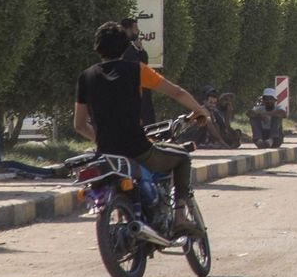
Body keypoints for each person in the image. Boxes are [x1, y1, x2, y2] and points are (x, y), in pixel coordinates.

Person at [73, 21, 211, 235]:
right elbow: (176, 92)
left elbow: (79, 125)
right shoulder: (136, 70)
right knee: (182, 157)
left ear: (97, 47)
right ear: (125, 46)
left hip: (106, 153)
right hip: (138, 149)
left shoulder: (86, 77)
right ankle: (181, 217)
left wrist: (101, 140)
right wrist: (201, 111)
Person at [119, 17, 156, 124]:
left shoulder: (132, 46)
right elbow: (135, 65)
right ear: (127, 29)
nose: (138, 31)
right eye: (135, 28)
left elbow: (144, 63)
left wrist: (140, 50)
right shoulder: (121, 47)